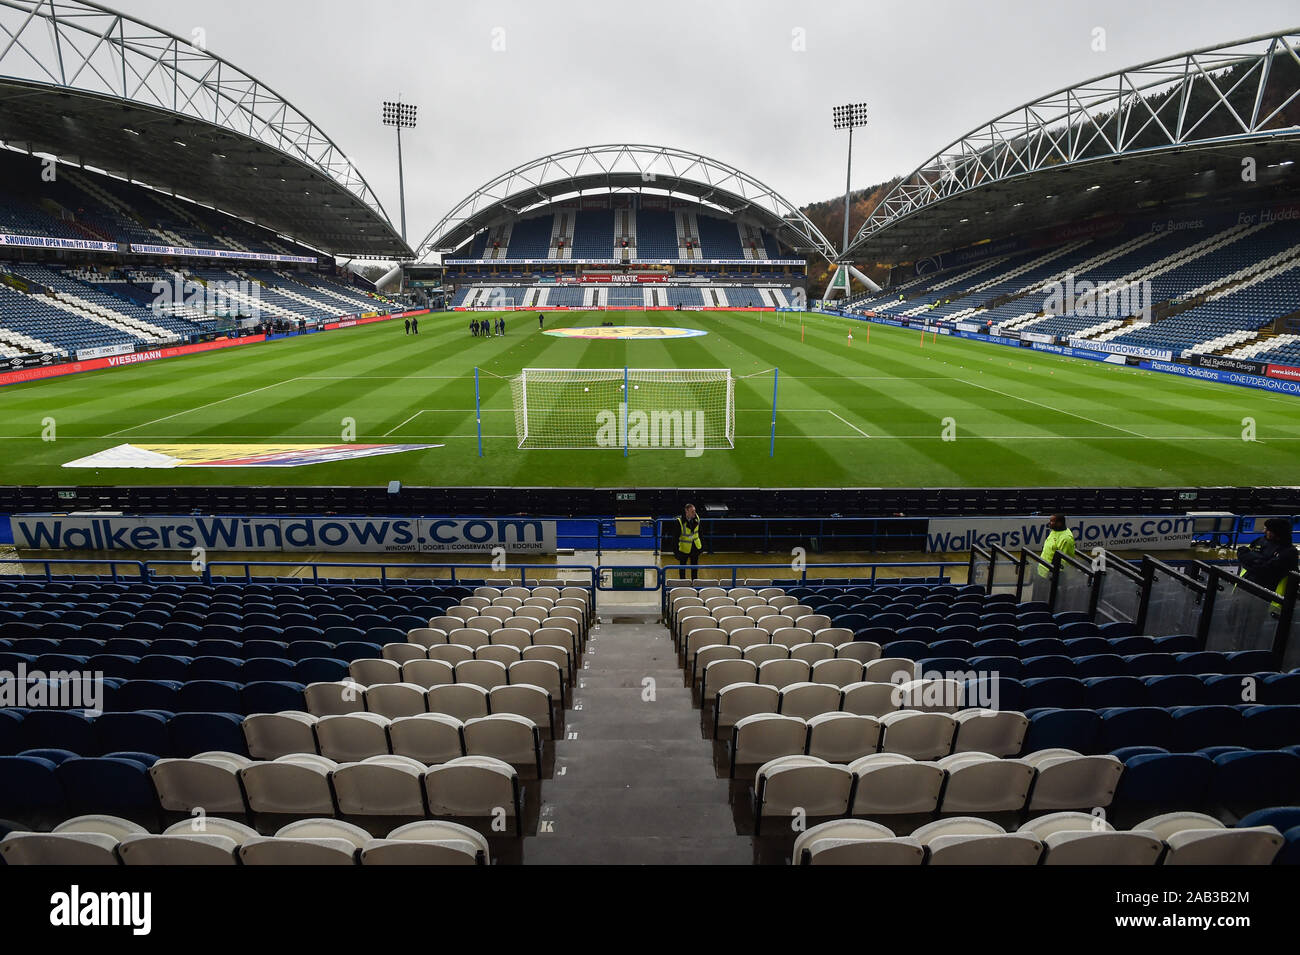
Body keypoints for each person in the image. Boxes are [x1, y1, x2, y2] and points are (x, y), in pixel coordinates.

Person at [1237, 518, 1298, 599]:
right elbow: (1241, 553)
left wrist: (1251, 559)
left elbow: (1265, 570)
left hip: (1267, 596)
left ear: (1278, 532)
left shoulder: (1289, 552)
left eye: (1268, 530)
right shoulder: (1260, 540)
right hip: (1244, 586)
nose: (1264, 531)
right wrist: (1262, 559)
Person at [674, 503, 704, 580]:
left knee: (694, 568)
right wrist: (676, 552)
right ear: (686, 511)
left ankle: (694, 582)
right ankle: (682, 582)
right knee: (682, 568)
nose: (694, 513)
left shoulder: (697, 518)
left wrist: (702, 547)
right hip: (684, 549)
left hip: (695, 547)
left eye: (695, 511)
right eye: (692, 511)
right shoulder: (679, 521)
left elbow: (700, 533)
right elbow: (675, 538)